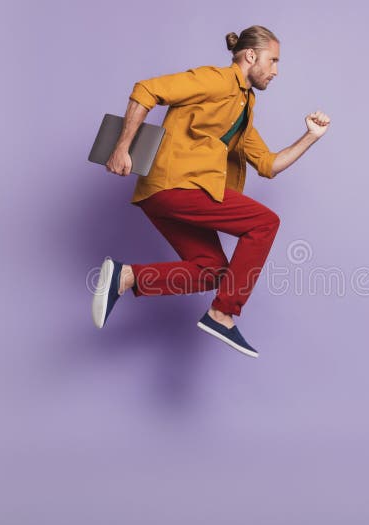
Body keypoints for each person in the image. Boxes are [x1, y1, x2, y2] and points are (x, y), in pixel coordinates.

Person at [92, 25, 331, 358]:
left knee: (211, 270)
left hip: (164, 195)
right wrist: (122, 147)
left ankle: (127, 277)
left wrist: (310, 137)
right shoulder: (215, 80)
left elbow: (269, 165)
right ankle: (222, 313)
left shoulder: (245, 108)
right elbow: (147, 89)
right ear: (251, 55)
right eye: (273, 61)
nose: (276, 71)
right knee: (264, 223)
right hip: (177, 183)